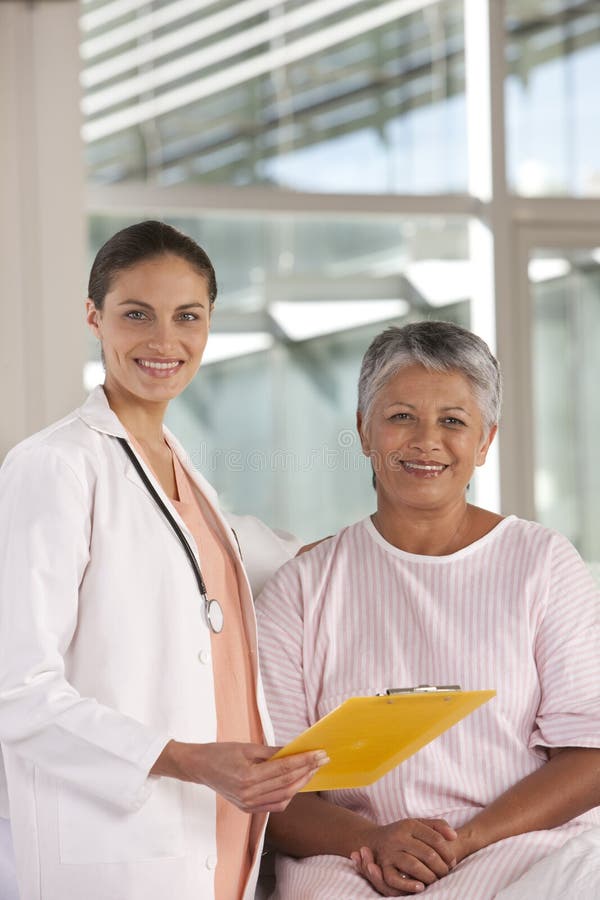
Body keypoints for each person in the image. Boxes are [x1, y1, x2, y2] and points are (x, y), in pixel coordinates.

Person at [0, 221, 328, 900]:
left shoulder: (185, 478)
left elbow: (287, 556)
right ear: (94, 317)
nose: (163, 340)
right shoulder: (54, 466)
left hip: (214, 838)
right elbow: (18, 690)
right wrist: (184, 760)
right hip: (114, 850)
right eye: (136, 314)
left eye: (187, 316)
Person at [256, 320, 600, 899]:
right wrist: (377, 841)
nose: (426, 441)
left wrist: (464, 840)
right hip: (354, 857)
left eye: (453, 421)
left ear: (486, 440)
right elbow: (273, 792)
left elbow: (591, 753)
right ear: (364, 430)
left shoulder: (542, 563)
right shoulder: (300, 590)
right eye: (400, 417)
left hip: (521, 846)